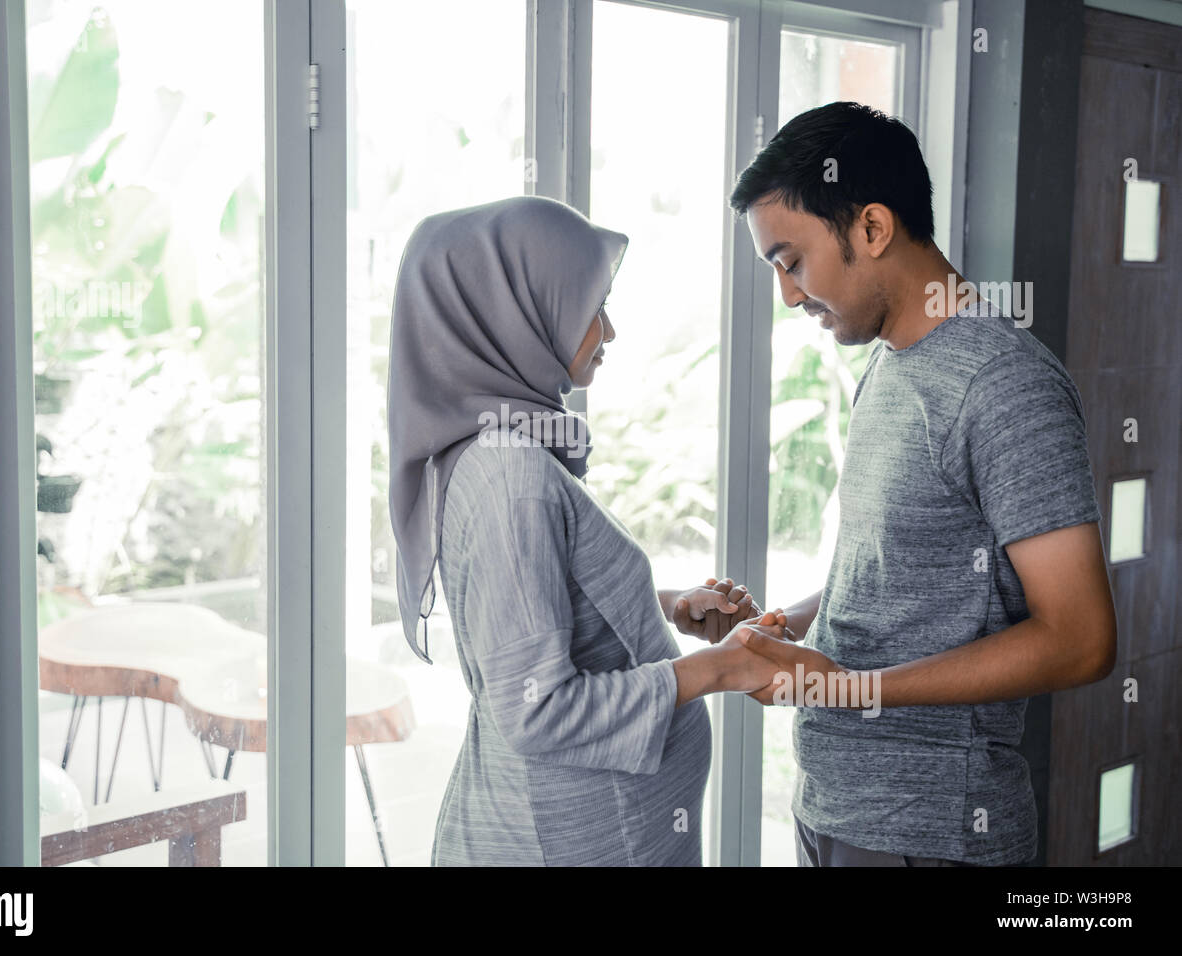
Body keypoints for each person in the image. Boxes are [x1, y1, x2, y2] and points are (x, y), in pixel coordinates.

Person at [709, 101, 1117, 866]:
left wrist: (845, 688)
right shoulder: (889, 362)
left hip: (934, 837)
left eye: (790, 262)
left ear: (870, 228)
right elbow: (903, 573)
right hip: (835, 811)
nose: (789, 296)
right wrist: (785, 627)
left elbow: (1083, 639)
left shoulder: (1003, 384)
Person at [387, 195, 778, 866]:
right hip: (576, 840)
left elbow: (526, 613)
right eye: (588, 308)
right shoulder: (511, 476)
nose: (609, 331)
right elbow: (541, 710)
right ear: (515, 313)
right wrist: (722, 668)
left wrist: (666, 608)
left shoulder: (486, 450)